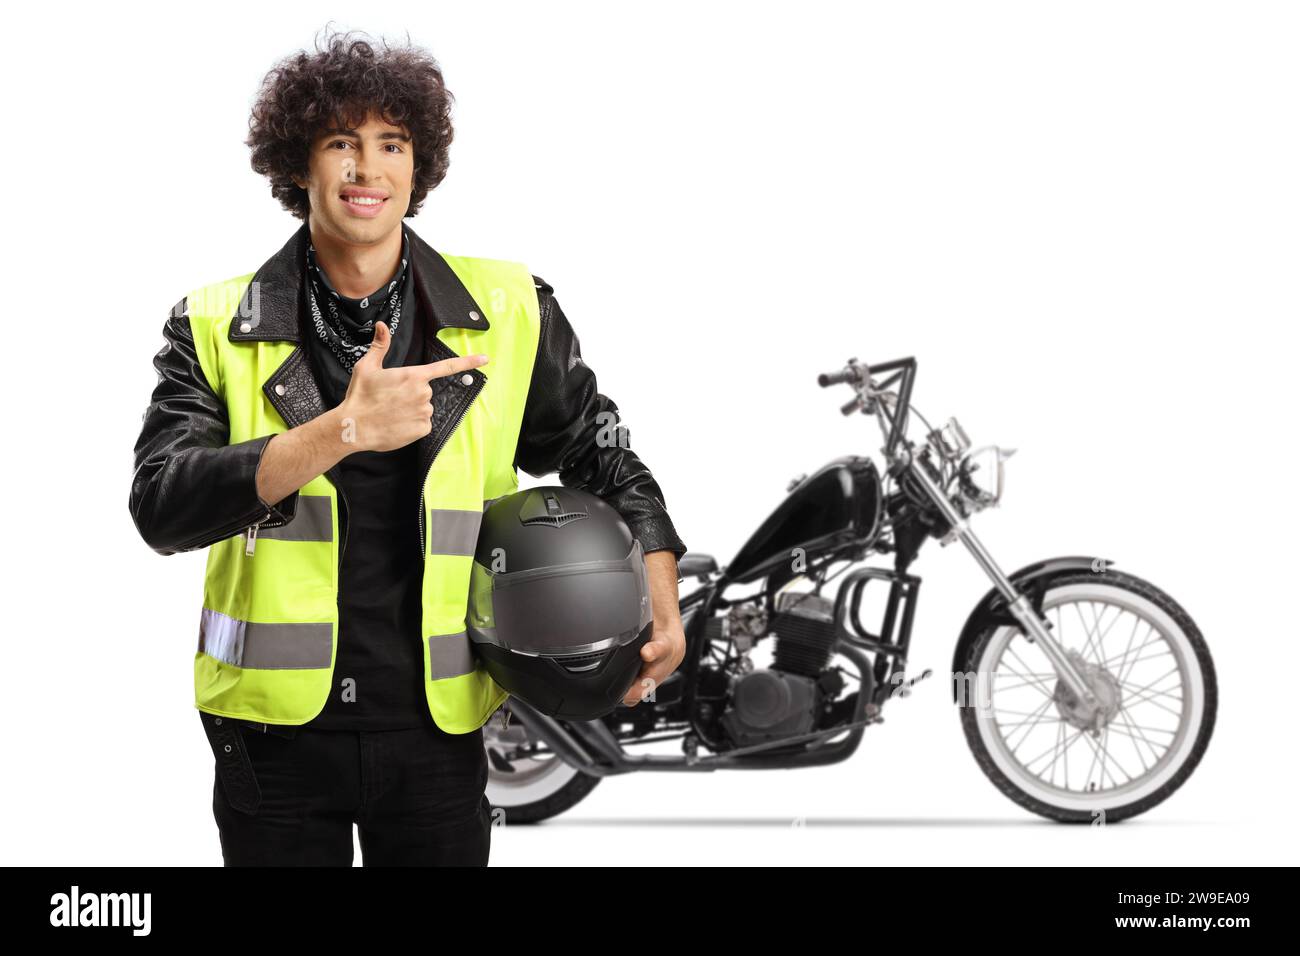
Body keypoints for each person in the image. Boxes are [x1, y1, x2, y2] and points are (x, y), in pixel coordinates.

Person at [128, 28, 688, 866]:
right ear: (298, 166)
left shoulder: (510, 309)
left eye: (392, 144)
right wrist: (338, 431)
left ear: (418, 167)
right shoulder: (213, 322)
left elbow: (605, 457)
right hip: (272, 740)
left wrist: (662, 600)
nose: (368, 169)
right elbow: (162, 506)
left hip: (440, 725)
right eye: (341, 144)